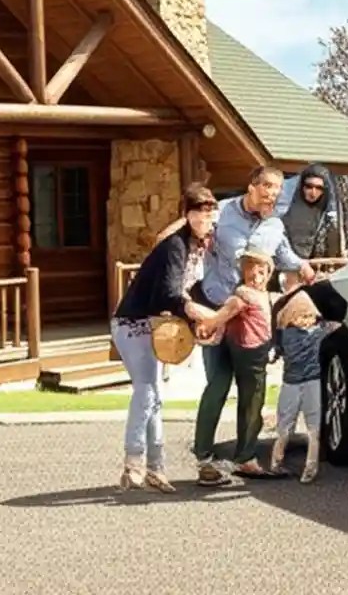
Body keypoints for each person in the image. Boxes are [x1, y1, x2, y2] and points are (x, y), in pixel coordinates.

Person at [157, 165, 316, 487]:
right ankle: (204, 456)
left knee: (253, 388)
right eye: (266, 191)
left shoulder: (273, 224)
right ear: (251, 187)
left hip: (253, 318)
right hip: (216, 308)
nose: (270, 199)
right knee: (218, 383)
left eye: (275, 194)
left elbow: (282, 254)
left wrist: (302, 265)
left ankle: (246, 458)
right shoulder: (222, 212)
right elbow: (184, 237)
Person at [109, 183, 220, 493]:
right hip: (133, 324)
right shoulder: (175, 246)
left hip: (156, 326)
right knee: (146, 392)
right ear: (187, 215)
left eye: (209, 211)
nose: (205, 217)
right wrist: (194, 313)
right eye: (198, 211)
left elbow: (191, 289)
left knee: (155, 397)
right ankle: (133, 462)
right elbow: (169, 293)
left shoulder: (198, 247)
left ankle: (156, 468)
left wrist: (199, 314)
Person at [194, 249, 283, 480]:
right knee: (251, 401)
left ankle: (228, 454)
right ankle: (242, 457)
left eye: (260, 270)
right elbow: (228, 310)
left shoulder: (264, 295)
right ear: (243, 272)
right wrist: (210, 323)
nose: (255, 275)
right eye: (250, 269)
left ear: (268, 274)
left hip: (252, 350)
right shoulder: (244, 294)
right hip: (248, 353)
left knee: (248, 401)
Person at [269, 289, 338, 483]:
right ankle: (310, 467)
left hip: (291, 381)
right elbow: (336, 325)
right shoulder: (321, 331)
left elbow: (277, 342)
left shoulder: (285, 334)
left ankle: (276, 462)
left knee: (285, 425)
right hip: (312, 381)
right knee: (313, 427)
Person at [277, 164, 342, 290]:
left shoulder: (325, 215)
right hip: (286, 270)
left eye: (318, 188)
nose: (313, 192)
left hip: (314, 271)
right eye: (309, 186)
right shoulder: (285, 211)